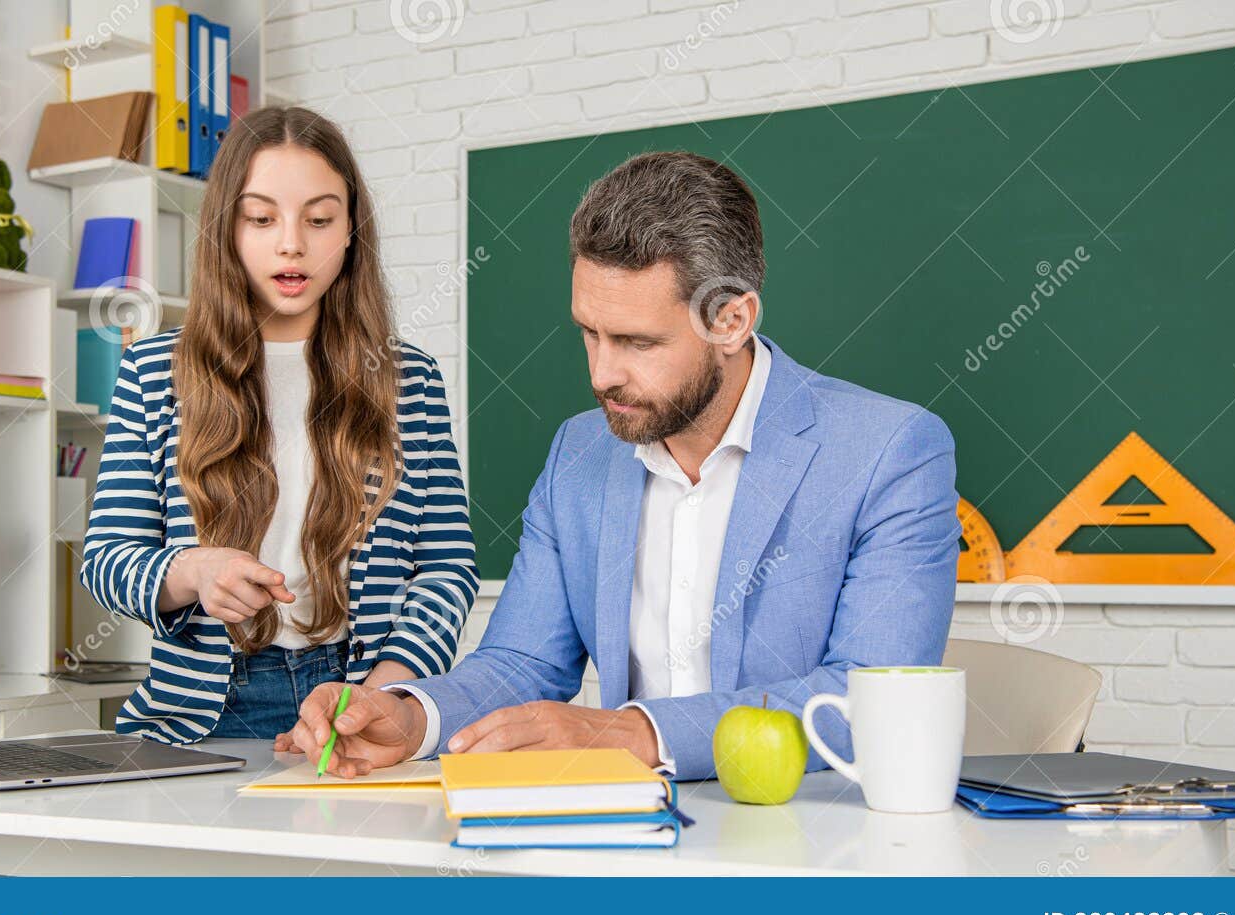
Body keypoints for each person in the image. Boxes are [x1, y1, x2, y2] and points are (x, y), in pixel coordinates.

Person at [285, 151, 957, 781]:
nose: (603, 374)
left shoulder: (889, 451)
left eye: (637, 341)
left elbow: (869, 697)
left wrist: (632, 733)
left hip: (808, 848)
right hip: (621, 837)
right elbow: (524, 661)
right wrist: (412, 715)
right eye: (589, 332)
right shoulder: (580, 453)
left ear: (731, 320)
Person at [79, 107, 478, 744]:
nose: (292, 243)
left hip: (355, 695)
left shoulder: (409, 379)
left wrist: (383, 696)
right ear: (227, 231)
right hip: (200, 713)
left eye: (319, 219)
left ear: (350, 231)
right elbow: (107, 560)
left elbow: (446, 569)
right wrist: (192, 573)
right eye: (262, 219)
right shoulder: (154, 370)